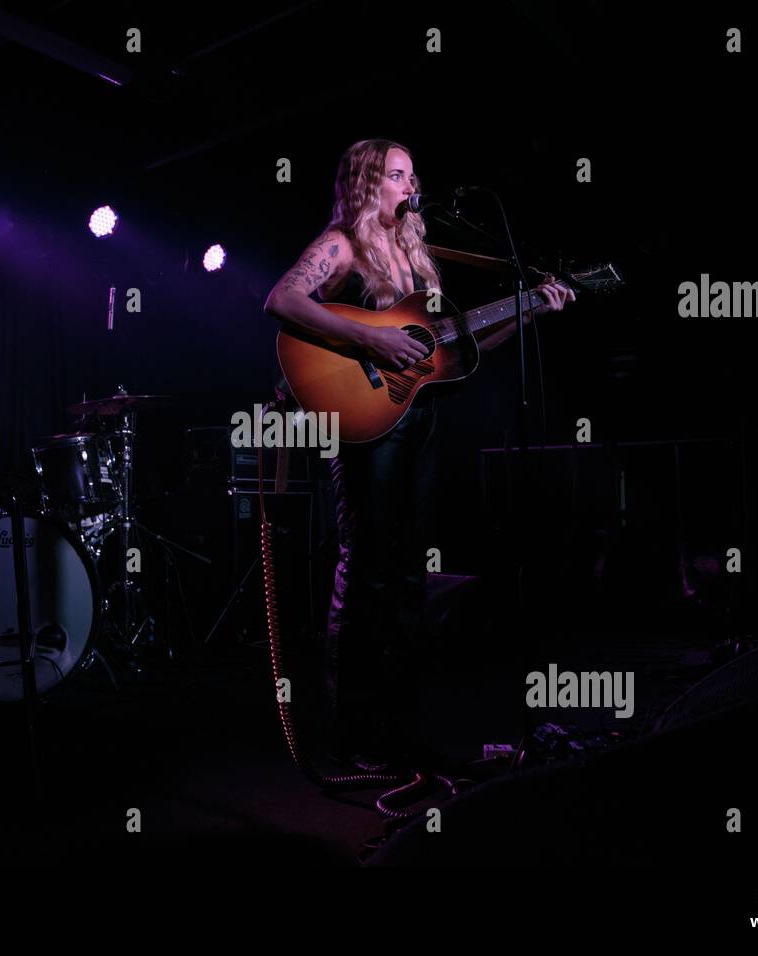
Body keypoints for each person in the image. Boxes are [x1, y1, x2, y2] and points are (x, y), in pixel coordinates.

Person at [264, 139, 573, 770]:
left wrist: (534, 309)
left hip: (417, 418)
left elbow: (454, 352)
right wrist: (368, 341)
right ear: (367, 181)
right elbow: (283, 300)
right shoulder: (341, 243)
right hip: (364, 423)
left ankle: (396, 726)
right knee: (367, 567)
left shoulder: (415, 256)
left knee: (407, 575)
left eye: (412, 174)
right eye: (397, 174)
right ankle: (351, 732)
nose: (411, 184)